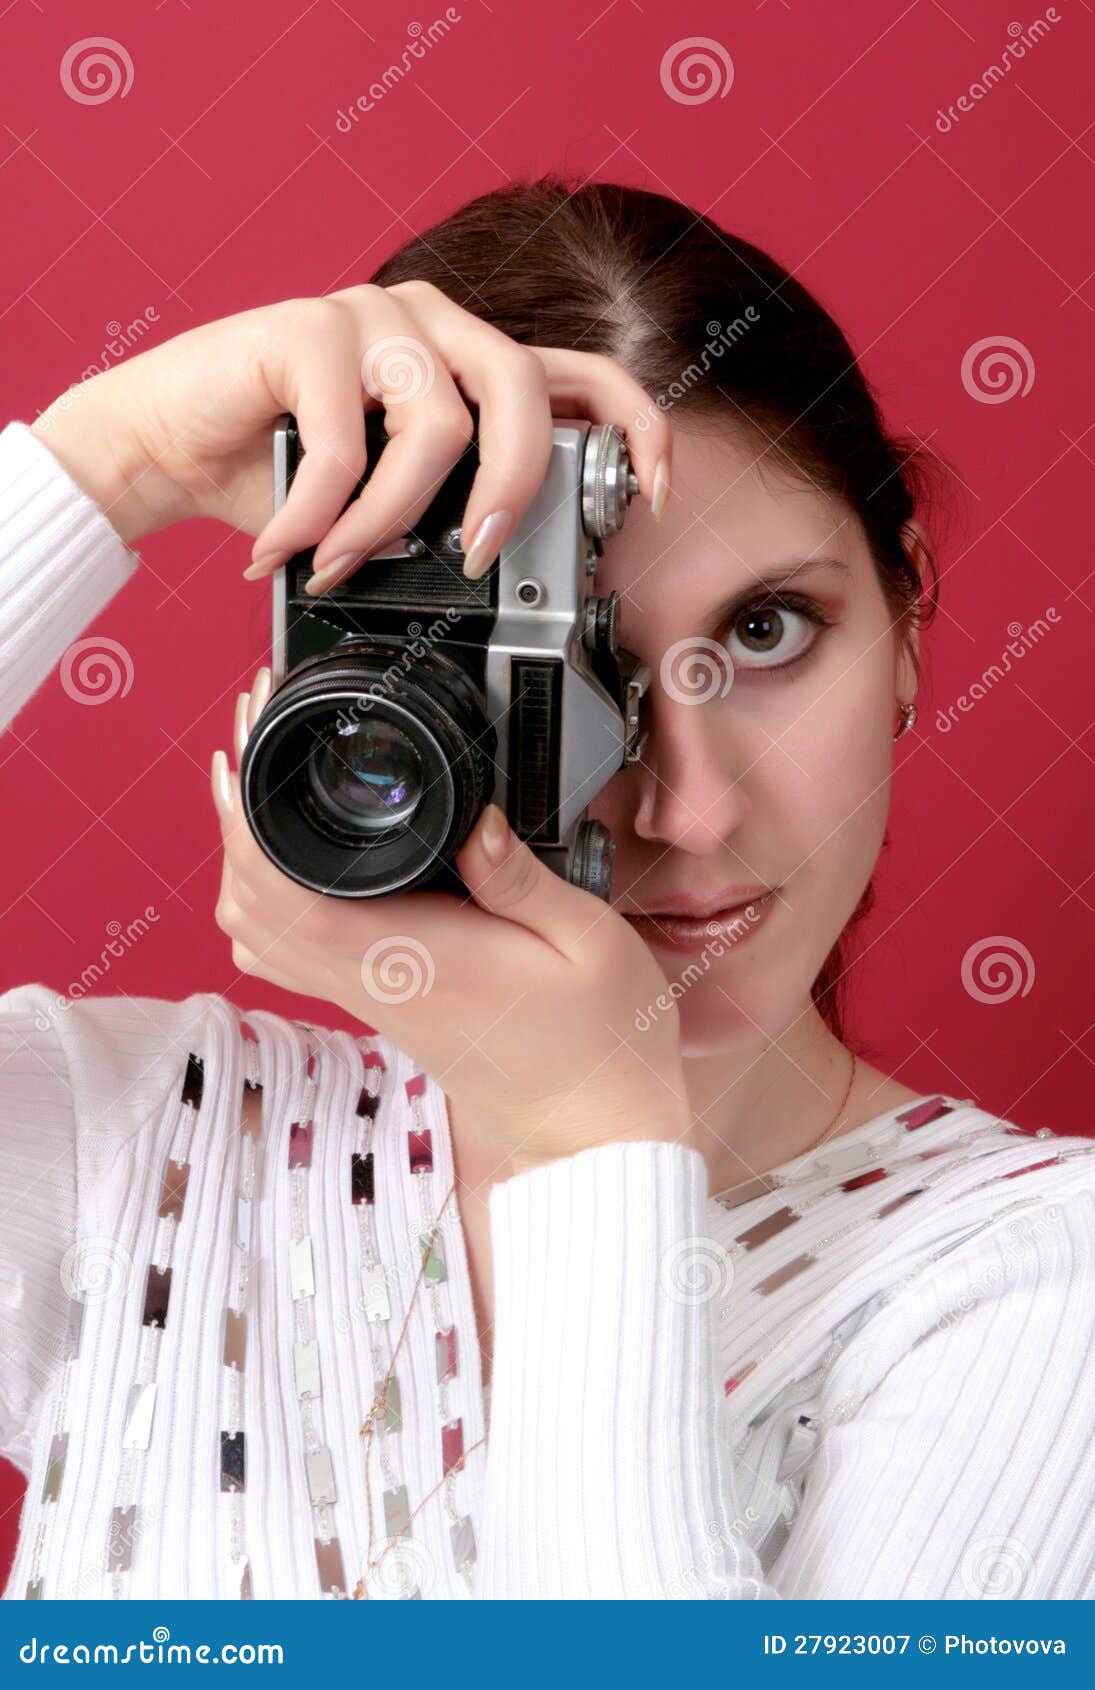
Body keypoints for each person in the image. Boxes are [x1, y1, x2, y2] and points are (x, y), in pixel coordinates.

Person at [1, 175, 1091, 1602]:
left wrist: (593, 1145)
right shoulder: (133, 1148)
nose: (686, 807)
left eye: (768, 630)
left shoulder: (1033, 1279)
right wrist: (107, 460)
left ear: (906, 623)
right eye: (566, 672)